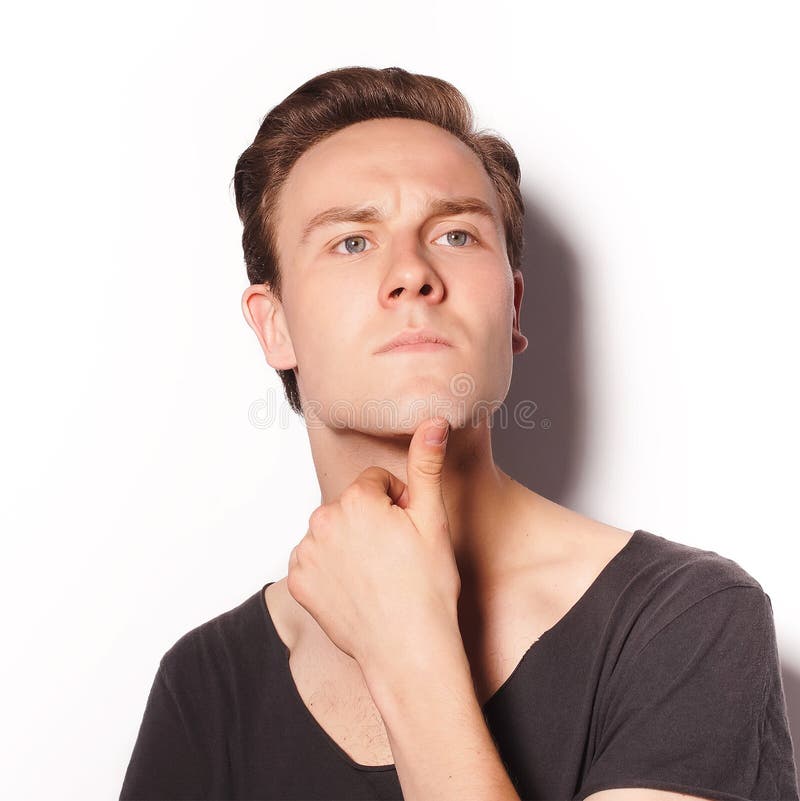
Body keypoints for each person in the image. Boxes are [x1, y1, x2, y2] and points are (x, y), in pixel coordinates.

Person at [119, 66, 799, 801]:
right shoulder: (205, 683)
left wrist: (407, 648)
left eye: (454, 233)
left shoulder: (686, 619)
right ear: (273, 323)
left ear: (511, 309)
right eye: (352, 242)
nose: (411, 273)